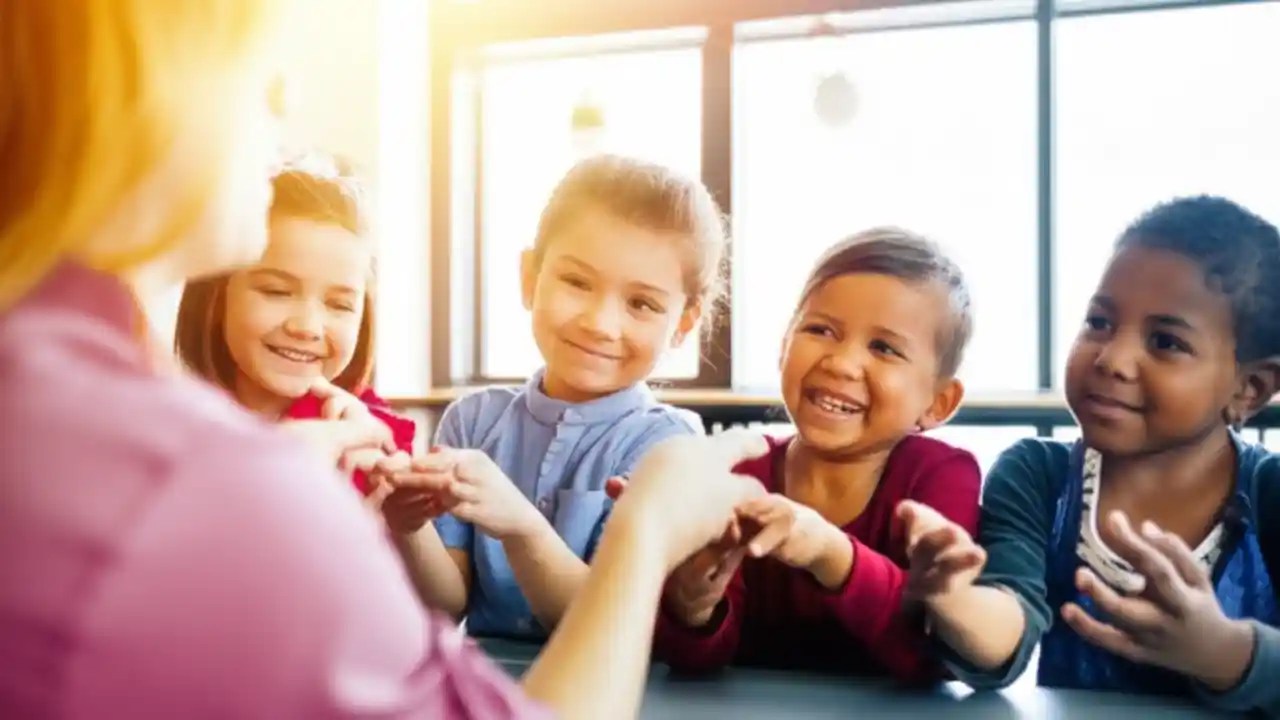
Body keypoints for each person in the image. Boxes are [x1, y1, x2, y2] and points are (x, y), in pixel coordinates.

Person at [0, 3, 770, 718]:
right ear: (144, 91)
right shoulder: (204, 471)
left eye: (340, 299)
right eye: (258, 76)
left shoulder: (56, 390)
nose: (286, 100)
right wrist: (647, 534)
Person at [908, 196, 1280, 715]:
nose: (1112, 358)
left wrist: (1225, 654)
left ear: (1249, 389)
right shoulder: (1037, 477)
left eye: (1165, 341)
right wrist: (953, 600)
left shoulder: (1269, 493)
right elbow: (1001, 652)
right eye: (1100, 322)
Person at [409, 155, 726, 637]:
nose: (600, 323)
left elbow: (609, 625)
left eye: (641, 304)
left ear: (684, 322)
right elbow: (446, 607)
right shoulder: (471, 422)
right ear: (529, 278)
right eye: (577, 282)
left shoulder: (669, 447)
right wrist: (404, 523)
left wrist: (520, 526)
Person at [650, 228, 981, 682]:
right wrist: (693, 606)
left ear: (938, 401)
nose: (841, 363)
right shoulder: (742, 471)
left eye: (883, 348)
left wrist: (828, 552)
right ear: (784, 344)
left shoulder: (941, 476)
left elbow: (931, 656)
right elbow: (696, 660)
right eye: (820, 330)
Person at [175, 160, 417, 501]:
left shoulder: (376, 440)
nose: (306, 327)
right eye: (276, 292)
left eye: (339, 305)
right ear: (216, 296)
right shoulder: (168, 430)